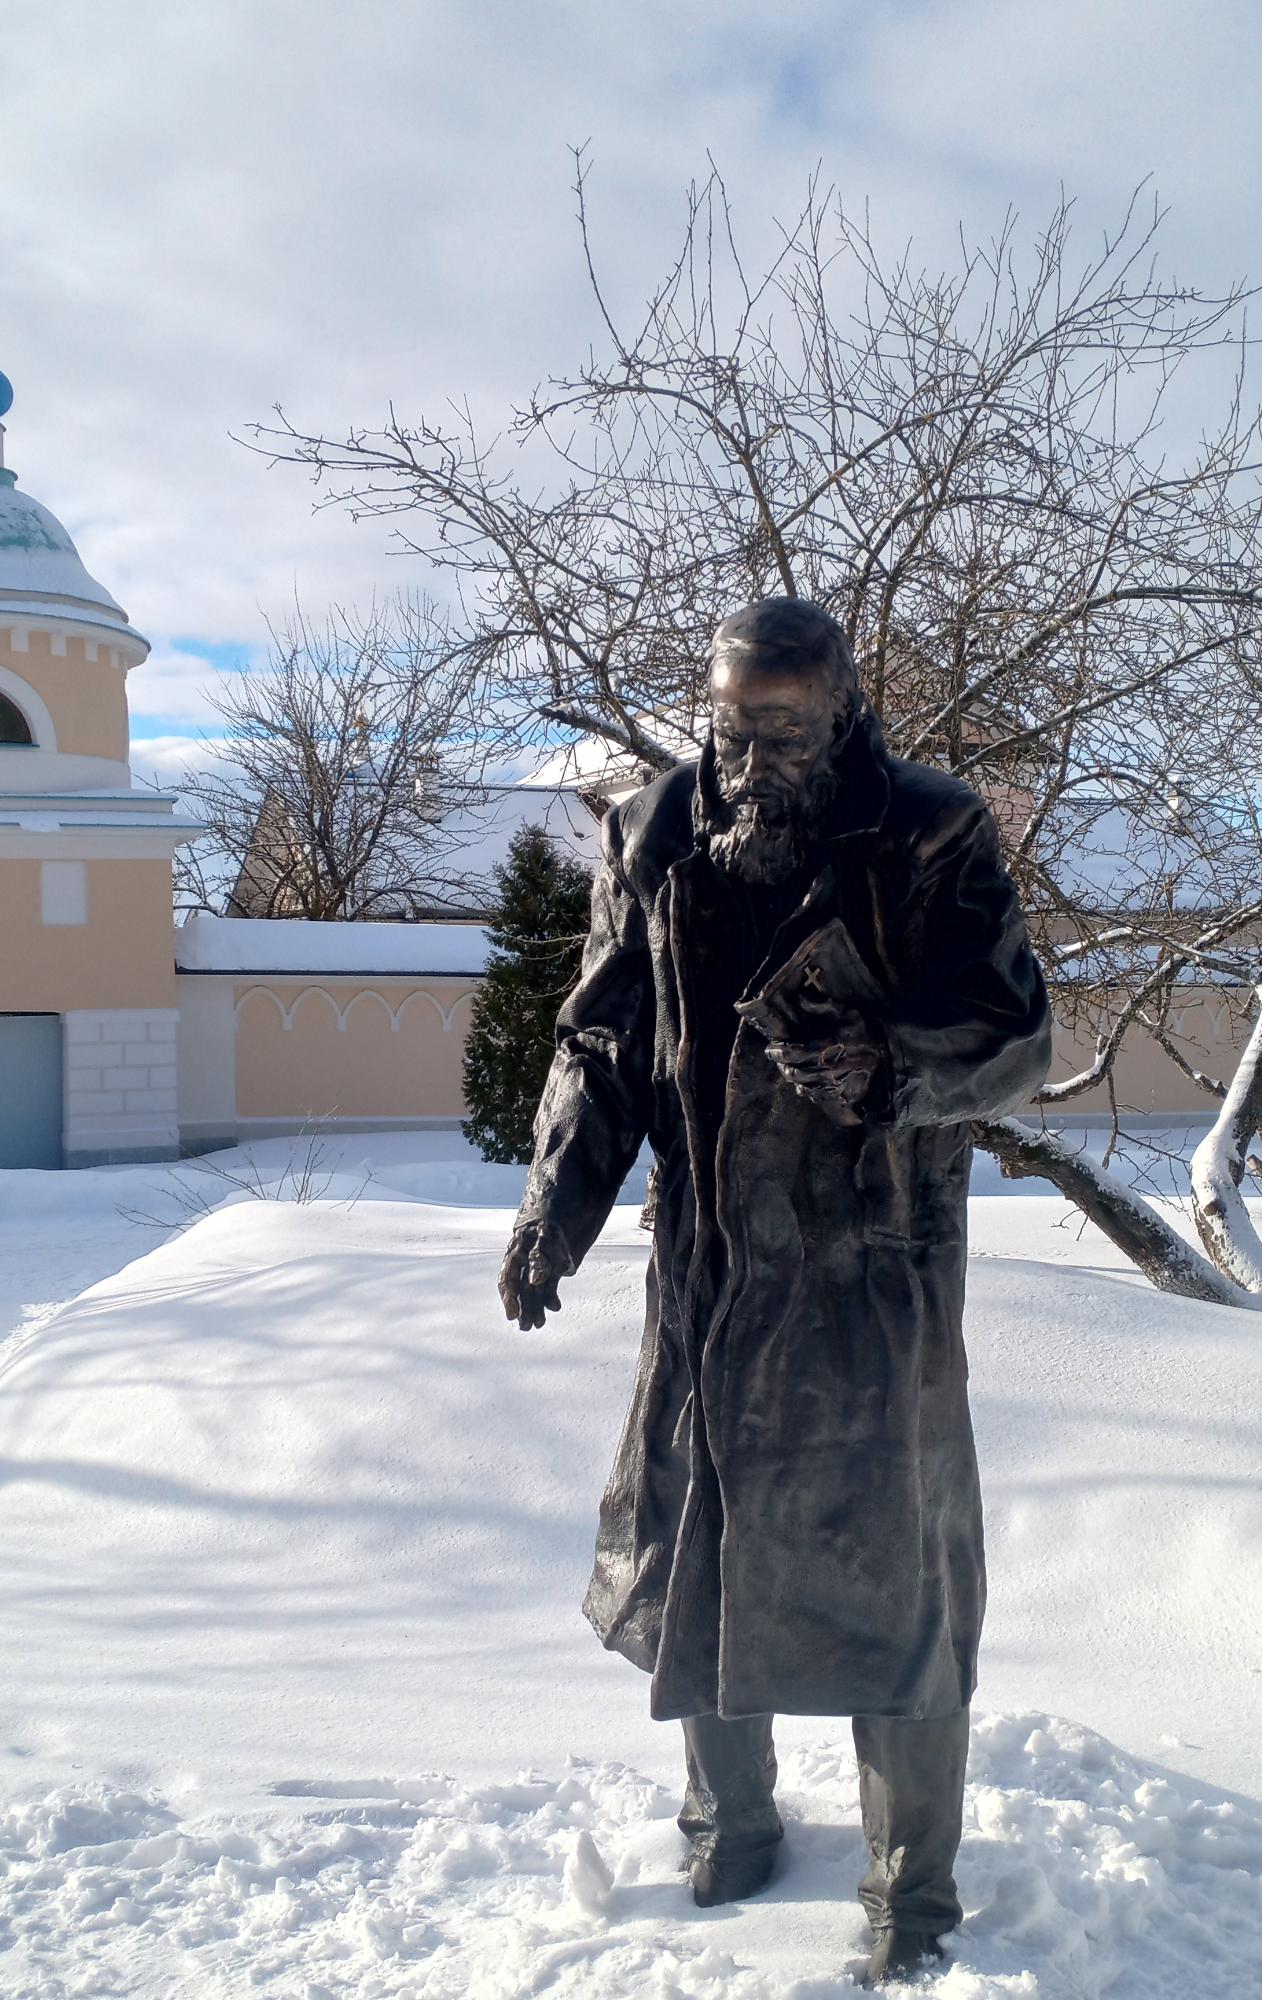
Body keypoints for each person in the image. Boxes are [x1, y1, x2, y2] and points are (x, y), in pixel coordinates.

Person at [498, 597, 1053, 1985]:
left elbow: (1016, 1038)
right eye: (737, 725)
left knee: (898, 1587)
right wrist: (551, 1210)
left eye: (788, 727)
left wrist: (895, 1066)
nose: (757, 756)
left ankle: (909, 1888)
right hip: (708, 1272)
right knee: (703, 1547)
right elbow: (601, 1036)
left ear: (845, 708)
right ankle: (728, 1825)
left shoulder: (930, 832)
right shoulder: (651, 835)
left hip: (873, 1273)